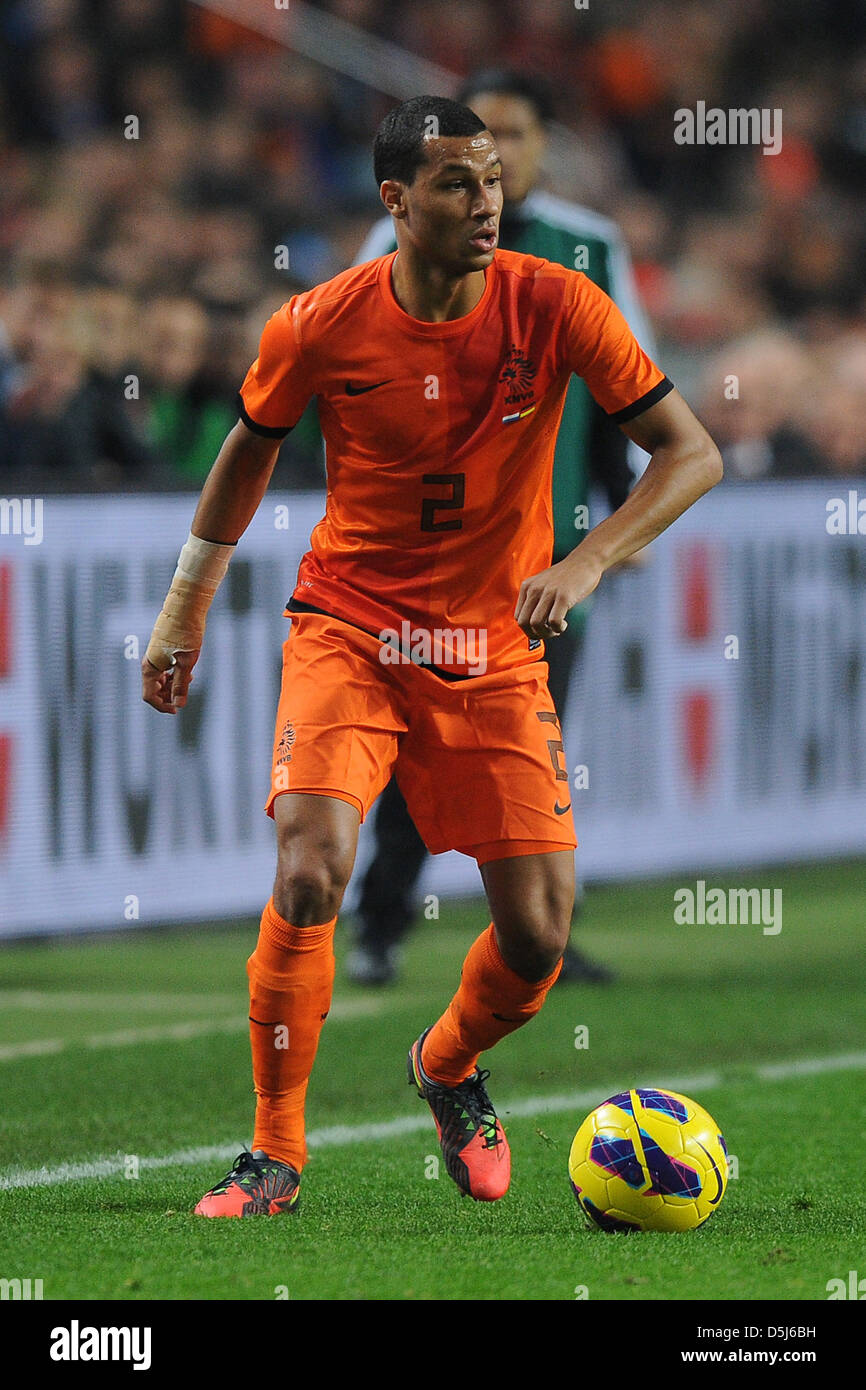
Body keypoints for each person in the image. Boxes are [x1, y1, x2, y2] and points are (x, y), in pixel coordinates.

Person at [142, 96, 722, 1214]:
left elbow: (688, 454)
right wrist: (184, 608)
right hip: (350, 629)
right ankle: (275, 1151)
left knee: (537, 934)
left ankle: (444, 1063)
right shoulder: (318, 321)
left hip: (492, 644)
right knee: (311, 870)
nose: (487, 203)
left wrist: (588, 561)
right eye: (457, 183)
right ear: (395, 202)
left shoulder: (557, 305)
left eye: (494, 179)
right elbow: (246, 455)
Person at [348, 70, 654, 987]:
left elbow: (627, 398)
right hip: (420, 567)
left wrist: (614, 531)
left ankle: (543, 933)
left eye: (517, 136)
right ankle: (382, 924)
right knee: (413, 751)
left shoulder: (589, 248)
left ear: (541, 144)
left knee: (536, 747)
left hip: (544, 563)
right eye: (488, 138)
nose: (502, 157)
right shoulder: (392, 239)